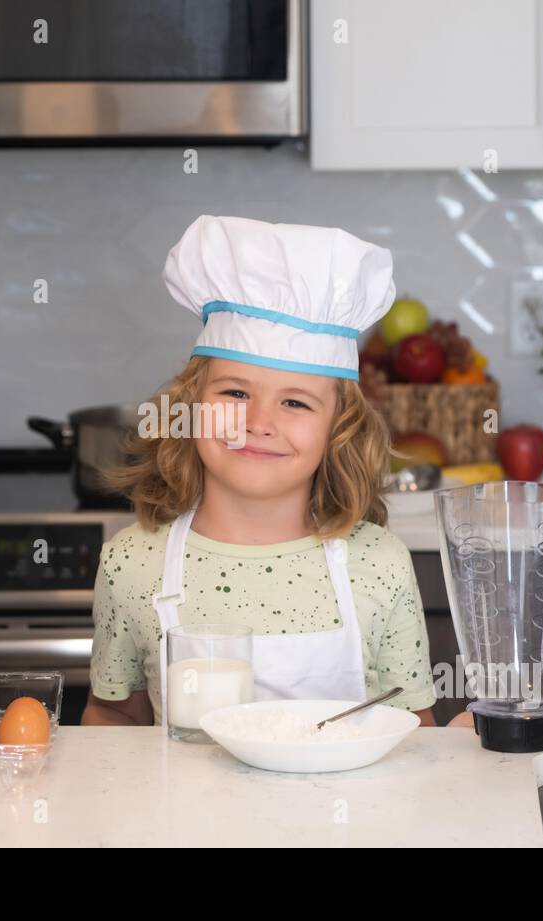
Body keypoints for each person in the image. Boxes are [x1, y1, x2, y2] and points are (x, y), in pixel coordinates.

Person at [82, 215, 440, 728]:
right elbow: (114, 717)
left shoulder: (379, 564)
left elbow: (410, 727)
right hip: (184, 812)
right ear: (191, 405)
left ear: (339, 428)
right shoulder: (133, 563)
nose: (258, 422)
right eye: (234, 392)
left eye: (295, 402)